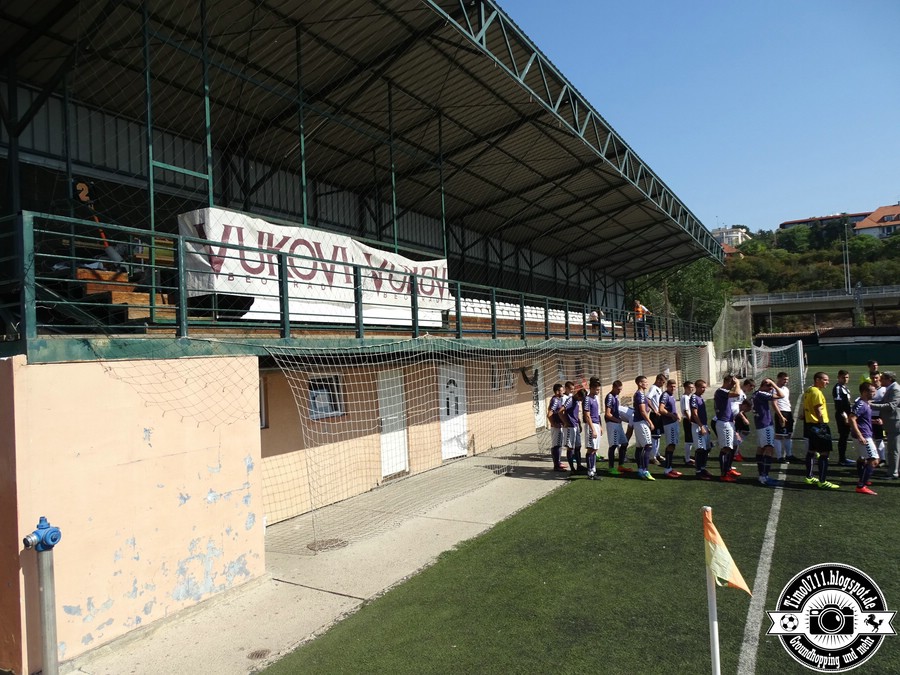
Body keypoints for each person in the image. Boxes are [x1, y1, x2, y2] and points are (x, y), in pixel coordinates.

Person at [802, 371, 839, 490]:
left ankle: (809, 476)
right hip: (818, 425)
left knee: (811, 451)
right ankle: (822, 481)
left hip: (810, 425)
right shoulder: (816, 392)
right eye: (825, 380)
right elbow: (818, 409)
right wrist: (822, 424)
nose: (827, 382)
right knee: (824, 453)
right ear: (817, 379)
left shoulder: (809, 390)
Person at [751, 377, 784, 486]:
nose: (771, 389)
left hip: (760, 425)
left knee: (761, 449)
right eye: (769, 387)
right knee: (769, 449)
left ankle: (761, 475)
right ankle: (764, 477)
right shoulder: (761, 394)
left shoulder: (756, 393)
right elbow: (781, 395)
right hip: (765, 425)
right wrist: (774, 384)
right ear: (765, 385)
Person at [849, 381, 879, 495]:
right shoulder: (861, 404)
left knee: (862, 458)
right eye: (872, 391)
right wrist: (860, 435)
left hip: (863, 434)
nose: (874, 393)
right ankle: (861, 485)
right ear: (865, 392)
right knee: (874, 460)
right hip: (863, 435)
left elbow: (862, 419)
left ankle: (862, 478)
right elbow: (851, 419)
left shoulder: (865, 403)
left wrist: (874, 421)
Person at [869, 370, 900, 480]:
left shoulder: (895, 389)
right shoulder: (891, 388)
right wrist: (870, 403)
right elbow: (882, 401)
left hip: (895, 424)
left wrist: (871, 405)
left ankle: (893, 473)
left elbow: (891, 406)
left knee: (893, 450)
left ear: (889, 379)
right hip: (891, 423)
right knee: (893, 449)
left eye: (882, 379)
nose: (880, 380)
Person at [713, 374, 742, 482]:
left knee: (734, 446)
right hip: (724, 423)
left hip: (729, 422)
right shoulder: (721, 391)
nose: (733, 386)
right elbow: (737, 393)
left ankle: (728, 469)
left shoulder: (723, 392)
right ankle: (723, 474)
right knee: (726, 448)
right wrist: (738, 383)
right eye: (732, 384)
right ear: (728, 382)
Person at [604, 380, 633, 476]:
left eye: (621, 389)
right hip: (612, 424)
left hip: (617, 423)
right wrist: (617, 420)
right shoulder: (609, 397)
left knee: (624, 443)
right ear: (614, 387)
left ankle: (620, 465)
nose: (620, 391)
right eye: (618, 389)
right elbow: (607, 414)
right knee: (613, 445)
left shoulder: (616, 396)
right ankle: (611, 468)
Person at [658, 379, 683, 478]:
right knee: (671, 444)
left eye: (674, 386)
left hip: (673, 423)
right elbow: (661, 409)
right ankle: (667, 469)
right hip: (669, 424)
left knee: (672, 445)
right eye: (671, 386)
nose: (673, 388)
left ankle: (670, 468)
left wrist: (677, 414)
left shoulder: (671, 395)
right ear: (667, 386)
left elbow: (671, 409)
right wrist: (671, 415)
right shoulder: (665, 395)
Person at [633, 375, 656, 481]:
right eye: (645, 382)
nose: (647, 383)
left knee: (639, 447)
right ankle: (645, 470)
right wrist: (650, 422)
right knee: (648, 446)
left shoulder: (640, 394)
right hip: (641, 423)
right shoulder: (640, 395)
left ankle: (640, 470)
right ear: (640, 383)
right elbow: (642, 410)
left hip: (638, 423)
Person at [690, 379, 713, 480]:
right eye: (702, 387)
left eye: (705, 387)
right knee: (700, 449)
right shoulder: (694, 398)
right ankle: (698, 472)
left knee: (707, 448)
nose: (704, 389)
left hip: (703, 425)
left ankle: (703, 468)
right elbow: (694, 414)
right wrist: (701, 426)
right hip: (698, 426)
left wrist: (705, 426)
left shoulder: (700, 398)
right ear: (697, 387)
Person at [560, 381, 585, 473]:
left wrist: (579, 423)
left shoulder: (577, 401)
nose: (581, 401)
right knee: (570, 448)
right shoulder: (570, 400)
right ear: (578, 396)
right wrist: (565, 422)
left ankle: (579, 465)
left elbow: (575, 413)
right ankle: (572, 468)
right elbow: (560, 411)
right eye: (581, 399)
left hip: (576, 426)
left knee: (578, 446)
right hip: (570, 427)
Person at [832, 370, 855, 466]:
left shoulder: (844, 387)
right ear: (839, 377)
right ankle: (842, 459)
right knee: (843, 436)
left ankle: (843, 458)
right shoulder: (838, 388)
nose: (846, 379)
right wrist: (845, 417)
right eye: (843, 377)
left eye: (847, 377)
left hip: (847, 414)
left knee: (845, 436)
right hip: (842, 415)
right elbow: (839, 405)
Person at [583, 377, 603, 480]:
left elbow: (597, 414)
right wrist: (593, 429)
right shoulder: (587, 399)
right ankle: (590, 472)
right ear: (591, 388)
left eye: (599, 389)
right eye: (596, 390)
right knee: (590, 449)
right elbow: (587, 415)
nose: (598, 391)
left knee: (595, 449)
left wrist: (600, 426)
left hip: (596, 424)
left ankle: (594, 470)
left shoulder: (595, 399)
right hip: (591, 426)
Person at [773, 372, 794, 463]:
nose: (786, 381)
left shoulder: (786, 389)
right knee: (779, 435)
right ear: (778, 378)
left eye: (787, 379)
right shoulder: (774, 390)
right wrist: (780, 416)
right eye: (784, 379)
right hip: (782, 413)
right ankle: (779, 457)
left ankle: (789, 455)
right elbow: (774, 403)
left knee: (788, 434)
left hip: (788, 412)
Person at [547, 383, 567, 471]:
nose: (563, 392)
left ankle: (558, 463)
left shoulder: (558, 399)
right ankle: (556, 465)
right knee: (557, 445)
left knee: (558, 444)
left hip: (559, 426)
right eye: (561, 390)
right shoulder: (555, 400)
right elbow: (549, 414)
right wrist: (554, 424)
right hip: (557, 427)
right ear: (557, 391)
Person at [647, 373, 666, 464]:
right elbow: (648, 399)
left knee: (658, 436)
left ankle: (657, 454)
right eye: (662, 382)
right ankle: (652, 457)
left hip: (659, 415)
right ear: (658, 380)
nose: (663, 384)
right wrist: (654, 410)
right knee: (655, 436)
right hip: (655, 415)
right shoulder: (653, 388)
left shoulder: (658, 389)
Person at [681, 381, 695, 466]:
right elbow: (686, 410)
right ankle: (687, 459)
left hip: (689, 420)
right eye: (690, 387)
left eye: (692, 387)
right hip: (687, 420)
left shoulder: (688, 397)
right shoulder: (685, 397)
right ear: (686, 388)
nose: (692, 389)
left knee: (690, 440)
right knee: (689, 440)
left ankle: (688, 457)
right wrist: (691, 421)